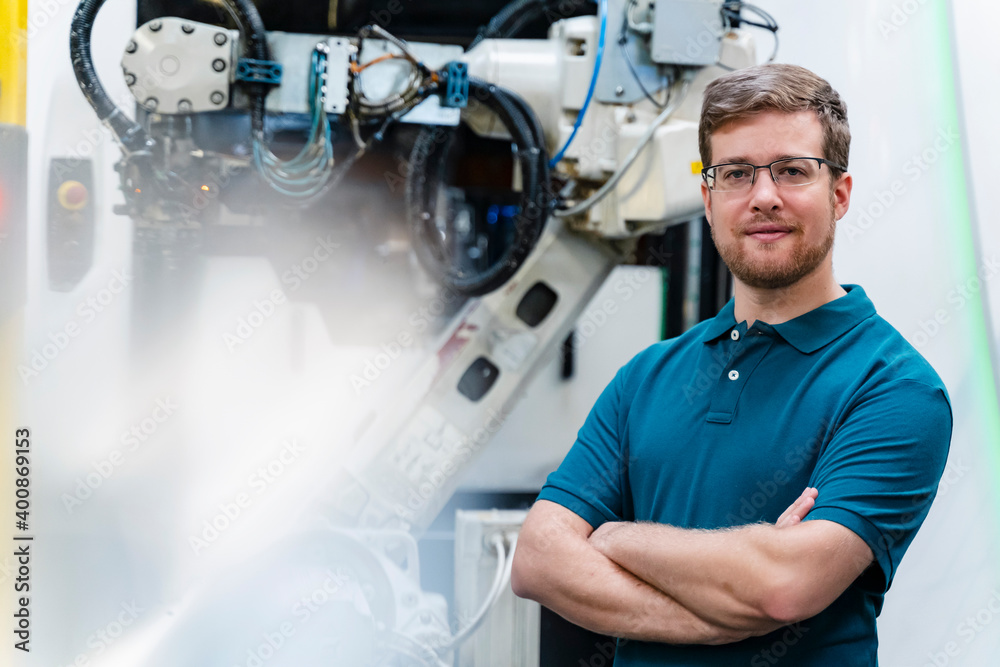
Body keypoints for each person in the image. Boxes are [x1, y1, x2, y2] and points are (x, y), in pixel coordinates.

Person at [510, 63, 953, 665]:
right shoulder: (647, 377)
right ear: (708, 197)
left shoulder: (895, 387)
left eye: (793, 171)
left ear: (840, 194)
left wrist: (616, 537)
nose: (763, 196)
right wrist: (716, 616)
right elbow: (538, 560)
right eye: (737, 173)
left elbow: (785, 586)